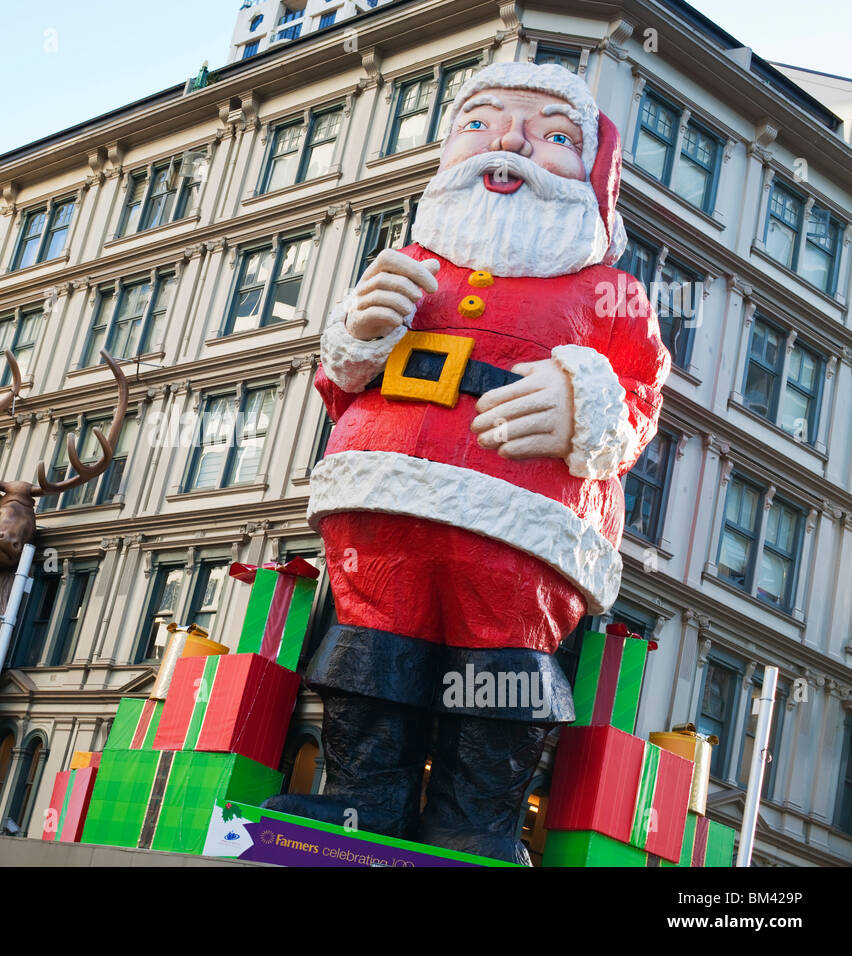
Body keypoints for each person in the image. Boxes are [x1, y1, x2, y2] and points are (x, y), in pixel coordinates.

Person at [263, 62, 670, 865]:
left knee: (500, 670)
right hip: (380, 509)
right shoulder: (405, 261)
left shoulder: (610, 293)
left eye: (552, 135)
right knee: (372, 655)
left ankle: (473, 824)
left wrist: (583, 398)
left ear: (592, 175)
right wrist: (357, 336)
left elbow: (639, 400)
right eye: (481, 122)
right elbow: (337, 383)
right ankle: (359, 803)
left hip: (522, 530)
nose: (509, 143)